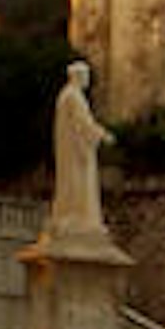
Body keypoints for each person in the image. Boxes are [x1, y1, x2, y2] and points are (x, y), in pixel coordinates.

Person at [51, 61, 113, 235]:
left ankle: (73, 216)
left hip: (71, 150)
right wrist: (103, 135)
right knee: (78, 184)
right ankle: (79, 219)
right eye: (86, 76)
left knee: (70, 184)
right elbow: (84, 123)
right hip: (77, 152)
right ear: (78, 76)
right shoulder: (74, 96)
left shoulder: (66, 95)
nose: (88, 80)